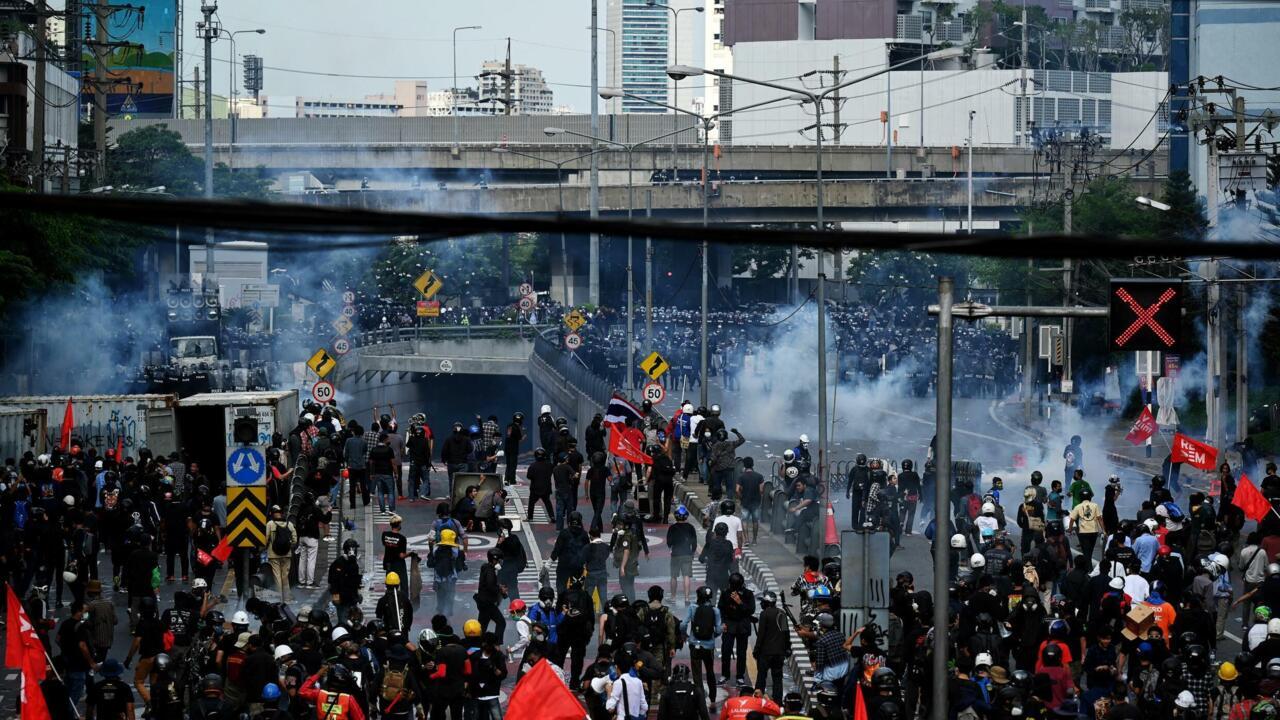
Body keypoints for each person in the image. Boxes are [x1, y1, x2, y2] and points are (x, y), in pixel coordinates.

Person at [683, 585, 722, 704]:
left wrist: (685, 635)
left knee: (697, 674)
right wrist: (712, 636)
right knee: (710, 671)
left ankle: (700, 699)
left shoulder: (692, 607)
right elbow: (718, 630)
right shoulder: (715, 610)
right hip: (708, 646)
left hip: (694, 644)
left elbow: (683, 624)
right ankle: (713, 698)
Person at [718, 572, 756, 685]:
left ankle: (740, 676)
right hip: (729, 624)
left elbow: (751, 610)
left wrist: (740, 602)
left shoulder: (748, 594)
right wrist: (723, 622)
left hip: (742, 625)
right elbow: (721, 609)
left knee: (741, 653)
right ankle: (725, 675)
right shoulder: (725, 593)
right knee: (726, 651)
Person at [753, 591, 790, 702]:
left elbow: (761, 635)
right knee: (777, 679)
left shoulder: (764, 614)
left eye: (763, 602)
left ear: (767, 602)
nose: (761, 604)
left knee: (761, 677)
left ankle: (757, 701)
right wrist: (787, 648)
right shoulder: (782, 613)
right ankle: (778, 702)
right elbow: (786, 633)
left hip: (765, 653)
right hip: (779, 653)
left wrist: (756, 649)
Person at [264, 505, 296, 603]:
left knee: (277, 576)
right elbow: (294, 540)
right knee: (285, 576)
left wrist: (265, 548)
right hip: (286, 554)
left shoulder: (270, 524)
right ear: (281, 513)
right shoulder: (289, 524)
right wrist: (288, 547)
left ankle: (280, 599)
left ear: (272, 514)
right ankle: (287, 598)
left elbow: (266, 539)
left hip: (273, 554)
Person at [667, 506, 698, 604]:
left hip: (676, 554)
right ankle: (687, 599)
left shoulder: (672, 528)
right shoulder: (690, 527)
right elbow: (694, 543)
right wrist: (692, 552)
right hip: (687, 554)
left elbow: (669, 543)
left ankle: (673, 597)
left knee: (673, 576)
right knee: (686, 576)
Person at [1069, 488, 1105, 561]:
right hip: (1094, 532)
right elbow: (1100, 519)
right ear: (1090, 497)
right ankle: (1088, 565)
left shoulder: (1078, 506)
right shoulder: (1095, 505)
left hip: (1083, 532)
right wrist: (1104, 531)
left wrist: (1070, 529)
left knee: (1085, 551)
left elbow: (1072, 520)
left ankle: (1088, 566)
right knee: (1090, 551)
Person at [738, 458, 765, 546]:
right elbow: (761, 490)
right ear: (752, 465)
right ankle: (754, 540)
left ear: (744, 465)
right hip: (756, 502)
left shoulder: (741, 477)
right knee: (755, 521)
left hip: (745, 501)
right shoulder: (759, 476)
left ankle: (746, 540)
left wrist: (741, 497)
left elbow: (737, 489)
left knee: (744, 520)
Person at [369, 433, 397, 513]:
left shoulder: (374, 449)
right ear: (385, 440)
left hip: (377, 473)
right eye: (388, 439)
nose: (389, 440)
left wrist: (371, 473)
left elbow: (371, 462)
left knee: (380, 491)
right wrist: (396, 473)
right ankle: (391, 509)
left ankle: (382, 510)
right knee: (390, 491)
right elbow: (393, 463)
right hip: (388, 473)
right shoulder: (389, 449)